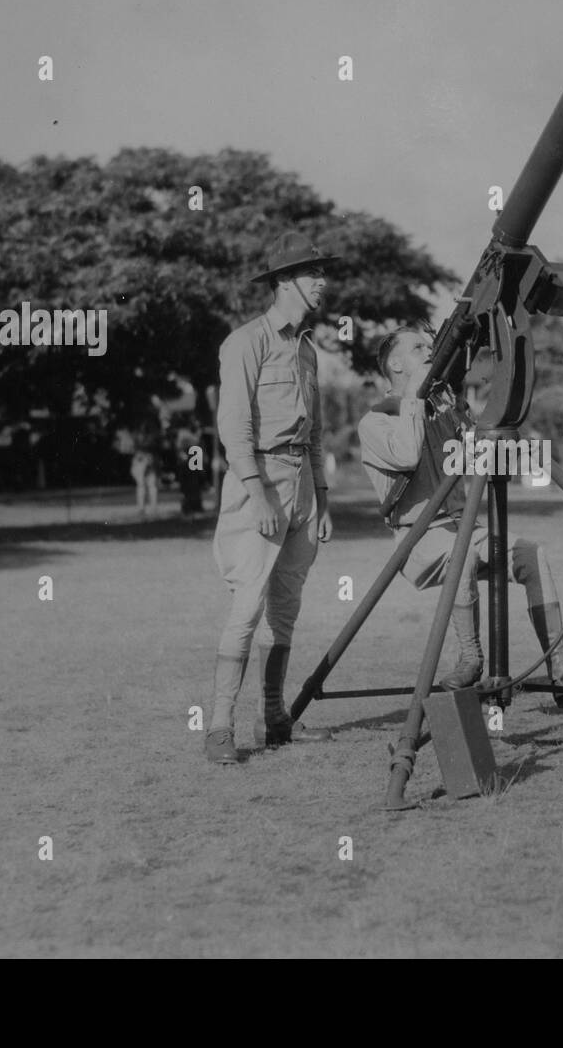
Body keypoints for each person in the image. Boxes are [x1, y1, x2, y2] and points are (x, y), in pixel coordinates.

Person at [357, 326, 563, 698]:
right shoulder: (377, 420)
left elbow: (486, 460)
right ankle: (471, 658)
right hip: (419, 538)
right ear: (395, 364)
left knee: (533, 555)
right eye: (418, 347)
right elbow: (406, 454)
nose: (429, 351)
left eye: (431, 345)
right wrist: (416, 399)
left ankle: (561, 669)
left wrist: (500, 430)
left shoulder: (446, 411)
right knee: (462, 552)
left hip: (464, 528)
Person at [205, 231, 337, 764]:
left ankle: (275, 717)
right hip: (257, 478)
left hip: (301, 481)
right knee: (246, 606)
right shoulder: (246, 341)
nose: (322, 281)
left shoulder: (307, 350)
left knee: (286, 607)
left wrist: (321, 499)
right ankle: (218, 727)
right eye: (312, 273)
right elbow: (232, 427)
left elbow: (318, 431)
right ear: (284, 282)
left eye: (322, 272)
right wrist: (258, 493)